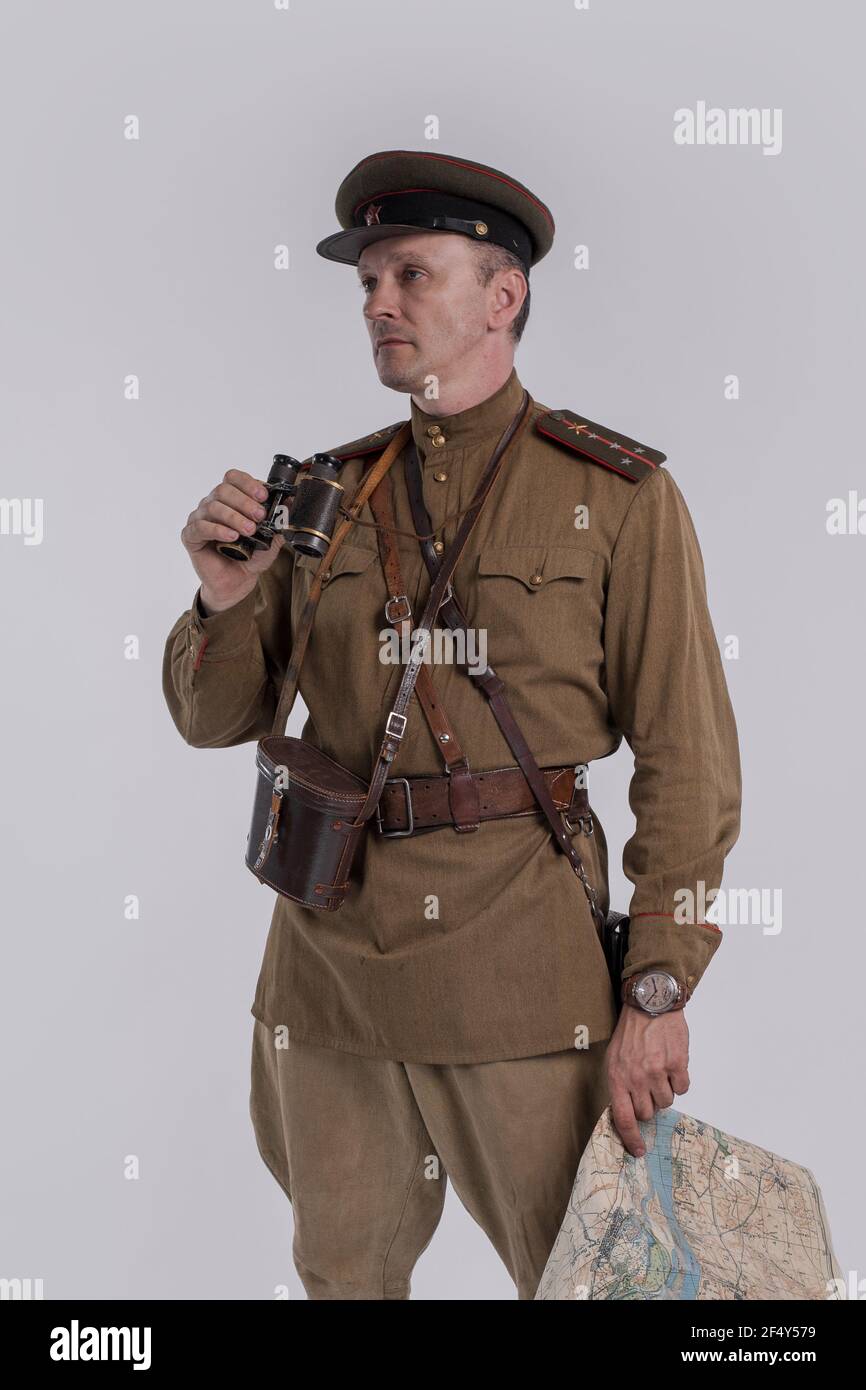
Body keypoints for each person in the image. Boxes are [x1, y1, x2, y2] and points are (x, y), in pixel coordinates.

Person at [162, 148, 742, 1300]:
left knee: (591, 1283)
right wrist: (221, 598)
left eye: (409, 276)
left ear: (501, 296)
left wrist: (658, 984)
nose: (377, 303)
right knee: (342, 1280)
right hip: (327, 981)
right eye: (367, 282)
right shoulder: (324, 497)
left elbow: (688, 765)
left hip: (521, 978)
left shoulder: (617, 496)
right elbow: (211, 717)